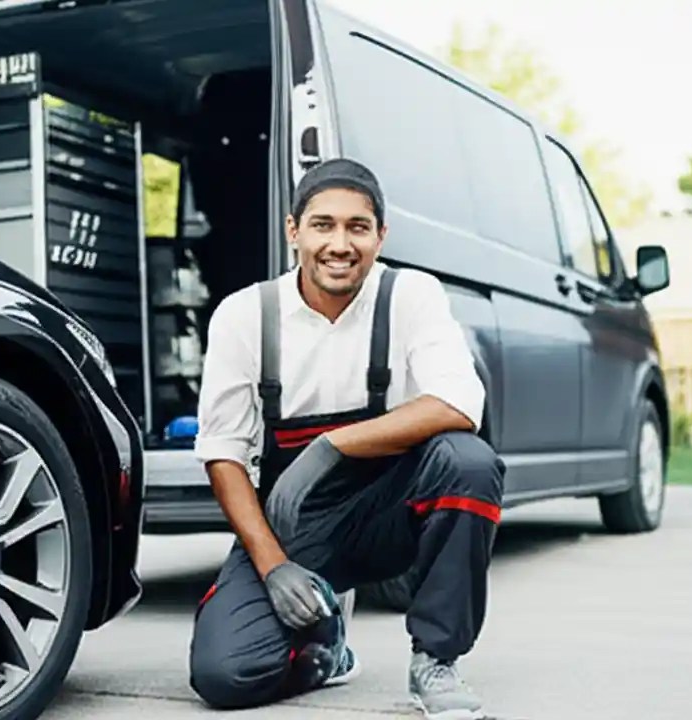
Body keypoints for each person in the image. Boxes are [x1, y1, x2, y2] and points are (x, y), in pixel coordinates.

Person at [187, 158, 506, 719]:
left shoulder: (410, 295)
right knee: (224, 674)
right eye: (323, 225)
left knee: (469, 462)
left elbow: (461, 403)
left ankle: (436, 660)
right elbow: (224, 454)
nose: (340, 243)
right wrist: (271, 565)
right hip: (295, 524)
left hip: (391, 507)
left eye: (358, 227)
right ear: (294, 231)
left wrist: (329, 446)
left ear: (381, 235)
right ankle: (325, 648)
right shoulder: (245, 315)